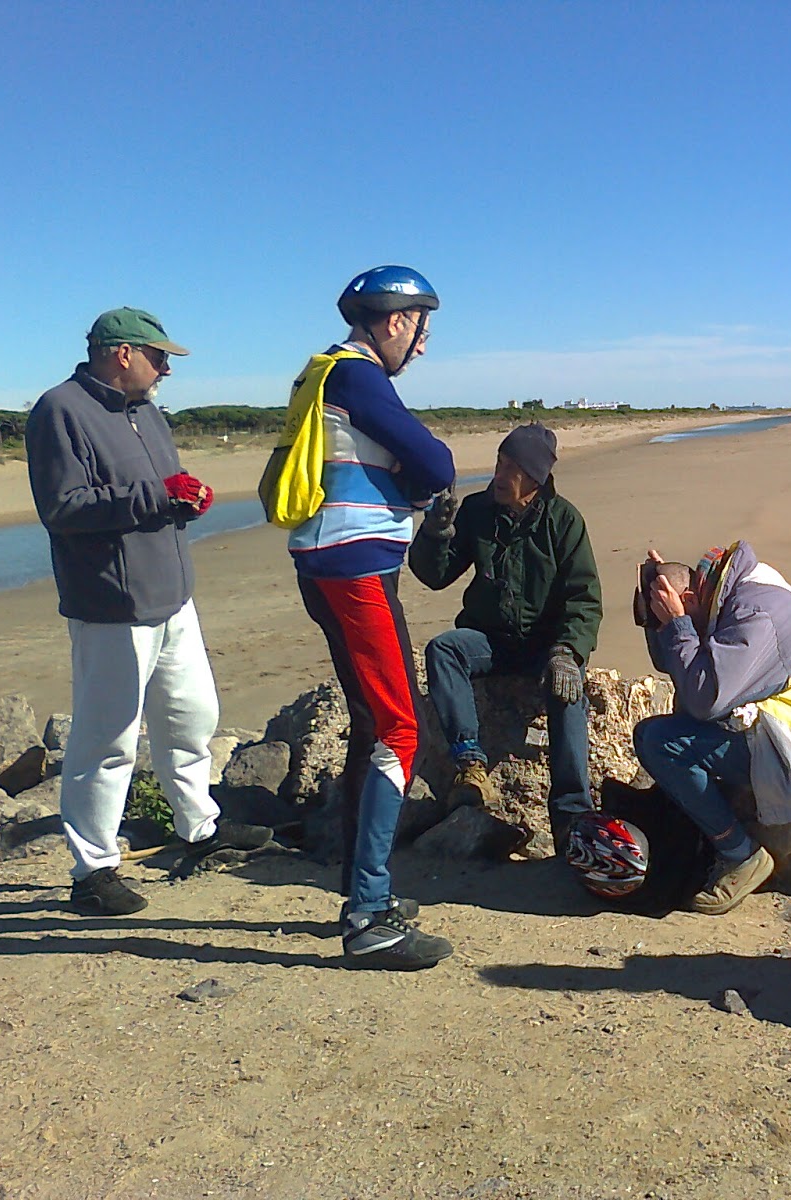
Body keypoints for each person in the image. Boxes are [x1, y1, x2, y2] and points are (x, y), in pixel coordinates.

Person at [25, 307, 273, 917]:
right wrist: (156, 496)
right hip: (111, 603)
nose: (166, 369)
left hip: (171, 594)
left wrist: (184, 498)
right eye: (159, 357)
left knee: (192, 718)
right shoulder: (59, 410)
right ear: (123, 354)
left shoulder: (149, 412)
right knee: (106, 739)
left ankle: (200, 829)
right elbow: (64, 507)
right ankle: (93, 871)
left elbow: (160, 490)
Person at [287, 266, 456, 970]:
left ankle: (359, 887)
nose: (421, 346)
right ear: (394, 320)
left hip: (330, 563)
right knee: (400, 727)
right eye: (421, 328)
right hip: (354, 569)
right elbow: (435, 460)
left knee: (369, 722)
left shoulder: (323, 372)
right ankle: (369, 916)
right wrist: (419, 483)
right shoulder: (357, 375)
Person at [408, 422, 603, 848]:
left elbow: (584, 599)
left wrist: (569, 651)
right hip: (490, 641)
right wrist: (435, 533)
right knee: (445, 649)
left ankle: (572, 815)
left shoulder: (563, 520)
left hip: (546, 647)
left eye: (511, 467)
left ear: (534, 477)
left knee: (568, 692)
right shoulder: (478, 511)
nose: (499, 474)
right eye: (499, 461)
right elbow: (435, 575)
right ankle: (470, 765)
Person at [631, 541, 791, 914]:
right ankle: (693, 818)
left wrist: (679, 624)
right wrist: (664, 614)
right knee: (668, 725)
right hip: (769, 728)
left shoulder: (756, 615)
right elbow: (675, 669)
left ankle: (741, 854)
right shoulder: (731, 590)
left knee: (659, 740)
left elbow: (704, 699)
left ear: (690, 597)